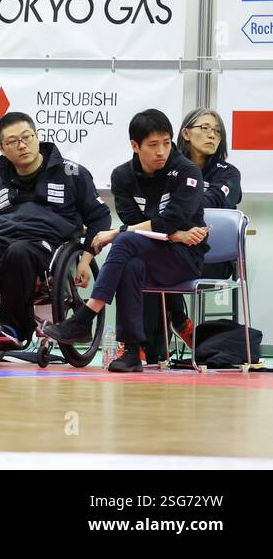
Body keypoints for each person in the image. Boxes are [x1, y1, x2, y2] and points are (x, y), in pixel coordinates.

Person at [42, 109, 208, 373]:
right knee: (130, 265)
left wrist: (116, 232)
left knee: (124, 241)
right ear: (135, 145)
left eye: (166, 143)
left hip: (184, 257)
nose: (161, 151)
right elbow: (145, 223)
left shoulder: (187, 171)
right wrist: (169, 232)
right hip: (152, 251)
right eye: (153, 145)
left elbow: (169, 220)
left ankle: (86, 316)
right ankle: (131, 351)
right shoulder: (122, 176)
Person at [0, 111, 110, 347]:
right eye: (13, 142)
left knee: (19, 251)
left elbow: (100, 218)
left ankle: (14, 326)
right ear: (2, 148)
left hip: (45, 248)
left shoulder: (72, 174)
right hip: (1, 244)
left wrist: (86, 260)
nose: (22, 145)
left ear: (37, 137)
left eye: (27, 137)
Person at [142, 108, 242, 358]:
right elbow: (153, 209)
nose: (212, 135)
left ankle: (167, 329)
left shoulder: (227, 173)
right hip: (173, 249)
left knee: (158, 262)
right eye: (205, 128)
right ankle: (152, 338)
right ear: (186, 133)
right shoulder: (166, 168)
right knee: (143, 261)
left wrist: (179, 207)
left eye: (217, 131)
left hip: (211, 259)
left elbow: (215, 199)